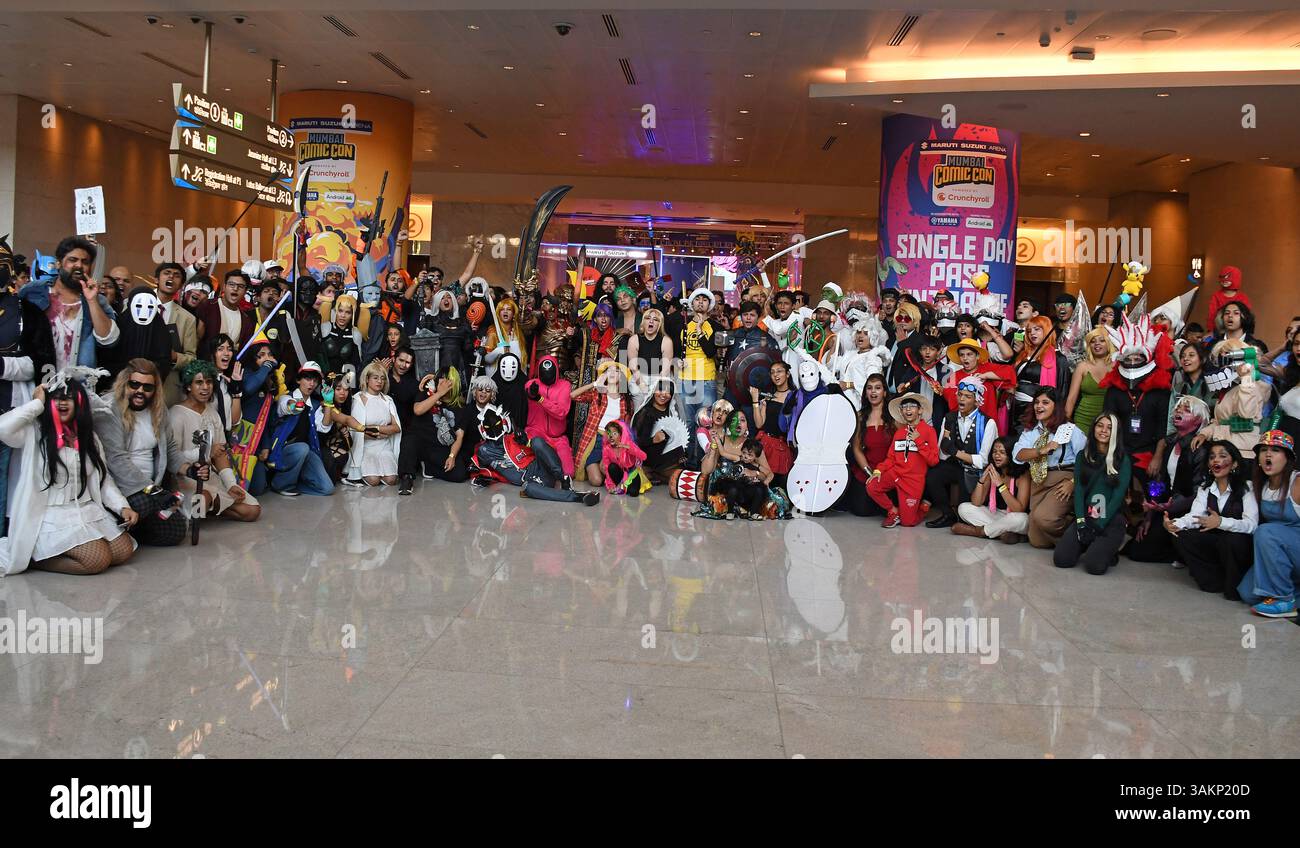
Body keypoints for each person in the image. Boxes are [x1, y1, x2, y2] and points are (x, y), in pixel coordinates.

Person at [0, 371, 137, 576]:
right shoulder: (34, 433)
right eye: (56, 398)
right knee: (96, 560)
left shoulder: (89, 438)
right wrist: (36, 404)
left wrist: (122, 507)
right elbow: (3, 428)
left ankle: (60, 554)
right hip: (49, 516)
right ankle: (32, 559)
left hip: (85, 510)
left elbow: (103, 480)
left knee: (123, 551)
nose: (63, 402)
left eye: (70, 398)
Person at [91, 360, 189, 546]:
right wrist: (155, 491)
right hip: (120, 488)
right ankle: (115, 528)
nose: (140, 391)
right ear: (124, 382)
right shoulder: (108, 408)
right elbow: (116, 460)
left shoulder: (159, 410)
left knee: (176, 532)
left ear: (155, 389)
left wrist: (190, 469)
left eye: (147, 387)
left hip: (150, 489)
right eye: (134, 384)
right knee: (143, 503)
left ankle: (133, 531)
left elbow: (170, 449)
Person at [169, 360, 260, 523]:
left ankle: (213, 506)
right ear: (189, 386)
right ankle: (199, 509)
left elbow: (221, 455)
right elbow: (172, 458)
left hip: (211, 479)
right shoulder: (176, 414)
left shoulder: (213, 414)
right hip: (187, 479)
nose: (205, 387)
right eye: (199, 382)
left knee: (252, 511)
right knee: (200, 503)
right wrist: (205, 452)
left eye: (209, 382)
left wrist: (231, 484)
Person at [1124, 395, 1210, 565]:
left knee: (1141, 551)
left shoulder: (1201, 450)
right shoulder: (1170, 442)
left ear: (1198, 420)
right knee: (1136, 545)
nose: (1179, 411)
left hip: (1186, 510)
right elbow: (1159, 482)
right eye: (1178, 408)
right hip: (1166, 507)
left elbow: (1198, 494)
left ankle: (1180, 554)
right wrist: (1149, 515)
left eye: (1186, 410)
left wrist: (1169, 507)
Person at [1164, 439, 1255, 599]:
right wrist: (1174, 524)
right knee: (1181, 535)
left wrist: (1221, 522)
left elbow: (1252, 525)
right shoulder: (1205, 488)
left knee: (1231, 540)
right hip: (1216, 541)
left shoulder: (1247, 488)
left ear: (1234, 464)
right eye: (1212, 457)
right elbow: (1195, 516)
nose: (1216, 460)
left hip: (1239, 544)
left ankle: (1234, 585)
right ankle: (1212, 580)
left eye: (1222, 456)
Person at [19, 236, 120, 371]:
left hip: (77, 386)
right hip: (36, 381)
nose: (79, 265)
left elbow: (109, 339)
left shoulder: (97, 300)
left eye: (85, 262)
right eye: (73, 260)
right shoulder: (33, 291)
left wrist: (91, 300)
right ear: (59, 263)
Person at [468, 404, 600, 505]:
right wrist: (481, 477)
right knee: (528, 489)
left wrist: (527, 442)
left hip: (541, 467)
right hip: (531, 481)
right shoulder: (483, 451)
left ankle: (564, 480)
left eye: (496, 424)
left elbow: (545, 449)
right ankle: (577, 497)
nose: (493, 428)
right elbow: (478, 468)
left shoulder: (514, 437)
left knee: (537, 441)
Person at [1053, 413, 1131, 575]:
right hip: (1087, 517)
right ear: (1093, 428)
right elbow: (1079, 492)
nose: (1104, 430)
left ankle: (1107, 550)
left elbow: (1117, 497)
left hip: (1110, 520)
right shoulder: (1083, 456)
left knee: (1094, 566)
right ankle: (1091, 544)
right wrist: (1081, 523)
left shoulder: (1122, 459)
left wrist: (1099, 525)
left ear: (1116, 432)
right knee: (1062, 560)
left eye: (1110, 428)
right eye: (1100, 425)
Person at [1238, 430, 1300, 618]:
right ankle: (1290, 591)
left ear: (1287, 458)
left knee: (1266, 532)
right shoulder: (1260, 486)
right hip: (1281, 551)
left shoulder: (1296, 482)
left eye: (1275, 450)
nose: (1268, 455)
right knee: (1248, 593)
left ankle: (1284, 600)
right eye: (1264, 450)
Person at [1015, 386, 1087, 548]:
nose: (1039, 406)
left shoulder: (1069, 429)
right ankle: (1070, 541)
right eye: (1037, 402)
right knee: (1036, 540)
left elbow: (1088, 460)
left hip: (1064, 479)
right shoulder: (1031, 431)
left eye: (1045, 402)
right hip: (1040, 480)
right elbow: (1018, 455)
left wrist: (1073, 483)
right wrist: (1041, 450)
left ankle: (1083, 536)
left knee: (1044, 519)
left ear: (1056, 406)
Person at [924, 376, 998, 528]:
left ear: (976, 400)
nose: (961, 399)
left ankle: (964, 516)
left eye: (967, 396)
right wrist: (946, 447)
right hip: (955, 466)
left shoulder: (988, 423)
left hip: (975, 471)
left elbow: (984, 460)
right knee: (932, 475)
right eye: (960, 394)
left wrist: (955, 452)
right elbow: (942, 454)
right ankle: (948, 514)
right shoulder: (949, 418)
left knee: (965, 511)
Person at [260, 361, 336, 496]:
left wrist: (329, 404)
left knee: (327, 489)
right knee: (302, 447)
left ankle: (295, 483)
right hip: (282, 451)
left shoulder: (315, 404)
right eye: (307, 379)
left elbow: (324, 427)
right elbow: (285, 405)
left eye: (314, 380)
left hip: (306, 452)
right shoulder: (287, 396)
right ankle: (281, 484)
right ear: (298, 380)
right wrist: (294, 406)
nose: (311, 384)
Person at [865, 392, 939, 528]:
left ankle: (923, 508)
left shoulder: (929, 431)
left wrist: (918, 440)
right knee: (872, 486)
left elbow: (934, 460)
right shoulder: (899, 432)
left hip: (913, 480)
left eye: (912, 406)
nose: (908, 409)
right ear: (901, 411)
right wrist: (878, 471)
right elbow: (891, 458)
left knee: (908, 523)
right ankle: (893, 512)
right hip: (895, 473)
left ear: (920, 410)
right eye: (904, 407)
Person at [399, 366, 469, 494]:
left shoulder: (460, 408)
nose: (443, 381)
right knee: (409, 441)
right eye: (440, 377)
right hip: (419, 441)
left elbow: (459, 437)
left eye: (447, 379)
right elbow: (418, 410)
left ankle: (428, 468)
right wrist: (439, 394)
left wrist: (452, 456)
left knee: (460, 474)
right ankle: (406, 478)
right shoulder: (426, 392)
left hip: (438, 447)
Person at [952, 435, 1029, 542]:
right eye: (994, 451)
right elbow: (976, 502)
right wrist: (981, 480)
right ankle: (1002, 533)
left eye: (1002, 452)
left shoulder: (1022, 475)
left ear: (1011, 454)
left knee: (1021, 519)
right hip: (995, 515)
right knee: (963, 508)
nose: (997, 455)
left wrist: (1001, 485)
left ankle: (979, 532)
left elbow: (1019, 509)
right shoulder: (993, 471)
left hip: (1013, 517)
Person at [572, 360, 633, 485]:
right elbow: (572, 395)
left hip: (611, 442)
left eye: (616, 371)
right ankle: (607, 475)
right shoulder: (597, 394)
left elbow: (626, 428)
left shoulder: (625, 401)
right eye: (608, 370)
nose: (611, 373)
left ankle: (618, 478)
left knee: (605, 468)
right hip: (594, 441)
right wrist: (594, 384)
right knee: (596, 481)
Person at [346, 360, 401, 487]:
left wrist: (375, 428)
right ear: (367, 379)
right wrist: (380, 432)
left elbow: (396, 427)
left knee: (391, 480)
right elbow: (354, 430)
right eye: (375, 378)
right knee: (373, 481)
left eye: (382, 378)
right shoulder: (358, 399)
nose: (379, 381)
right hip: (366, 447)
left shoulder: (388, 400)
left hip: (384, 446)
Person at [104, 286, 173, 383]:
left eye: (150, 307)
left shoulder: (160, 331)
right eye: (139, 306)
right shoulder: (119, 327)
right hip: (115, 387)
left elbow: (164, 364)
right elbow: (106, 360)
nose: (144, 314)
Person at [1012, 315, 1070, 428]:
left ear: (1047, 330)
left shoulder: (1058, 358)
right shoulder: (1023, 354)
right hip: (1015, 407)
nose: (1032, 333)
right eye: (1029, 331)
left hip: (1035, 411)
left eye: (1037, 329)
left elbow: (1062, 390)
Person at [524, 354, 575, 478]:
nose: (547, 374)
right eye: (544, 371)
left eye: (551, 371)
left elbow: (561, 413)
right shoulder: (531, 384)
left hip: (557, 437)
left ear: (556, 371)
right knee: (528, 466)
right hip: (536, 434)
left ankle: (551, 469)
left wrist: (540, 399)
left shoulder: (565, 385)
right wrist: (532, 394)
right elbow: (529, 391)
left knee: (569, 474)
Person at [631, 376, 686, 484]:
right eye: (660, 390)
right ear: (653, 391)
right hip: (649, 456)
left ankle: (653, 474)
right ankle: (649, 470)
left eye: (668, 392)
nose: (663, 395)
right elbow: (635, 442)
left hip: (666, 457)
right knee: (678, 479)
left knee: (680, 474)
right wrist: (653, 440)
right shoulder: (645, 413)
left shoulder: (671, 413)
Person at [678, 288, 719, 429]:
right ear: (692, 303)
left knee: (706, 423)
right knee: (687, 423)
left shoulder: (716, 327)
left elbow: (710, 352)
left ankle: (705, 452)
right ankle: (687, 452)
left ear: (710, 305)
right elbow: (680, 352)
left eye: (704, 300)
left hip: (706, 379)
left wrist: (700, 330)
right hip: (685, 379)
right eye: (697, 299)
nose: (700, 302)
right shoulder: (684, 326)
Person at [1064, 327, 1114, 434]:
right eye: (1093, 341)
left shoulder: (1116, 366)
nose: (1097, 344)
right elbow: (1071, 398)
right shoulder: (1082, 366)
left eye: (1102, 340)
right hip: (1083, 419)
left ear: (1109, 343)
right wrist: (1065, 424)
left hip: (1108, 422)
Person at [195, 270, 255, 350]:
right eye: (231, 284)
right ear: (224, 286)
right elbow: (196, 339)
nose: (235, 288)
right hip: (205, 360)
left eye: (240, 286)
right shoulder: (208, 306)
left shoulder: (246, 320)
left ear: (245, 291)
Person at [318, 291, 368, 379]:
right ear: (335, 311)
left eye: (348, 312)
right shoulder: (325, 328)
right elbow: (317, 354)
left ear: (352, 315)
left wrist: (348, 385)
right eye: (340, 311)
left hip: (345, 383)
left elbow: (356, 364)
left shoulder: (355, 334)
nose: (343, 315)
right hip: (323, 381)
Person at [1167, 341, 1213, 434]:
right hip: (1182, 438)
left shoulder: (1212, 384)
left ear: (1202, 359)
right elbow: (1171, 417)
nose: (1185, 359)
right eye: (1183, 356)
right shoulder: (1178, 387)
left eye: (1191, 355)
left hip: (1206, 435)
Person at [600, 419, 650, 495]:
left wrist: (627, 447)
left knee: (633, 493)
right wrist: (611, 485)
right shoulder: (606, 449)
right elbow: (607, 468)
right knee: (611, 467)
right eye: (609, 433)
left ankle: (624, 486)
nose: (611, 436)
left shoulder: (628, 444)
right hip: (619, 473)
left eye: (614, 433)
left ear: (621, 434)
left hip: (632, 473)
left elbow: (644, 456)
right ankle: (619, 486)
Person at [483, 296, 529, 376]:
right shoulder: (493, 332)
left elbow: (522, 359)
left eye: (509, 309)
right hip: (496, 377)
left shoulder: (518, 333)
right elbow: (487, 359)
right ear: (499, 313)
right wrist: (498, 351)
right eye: (502, 309)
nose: (505, 311)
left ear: (514, 314)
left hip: (516, 378)